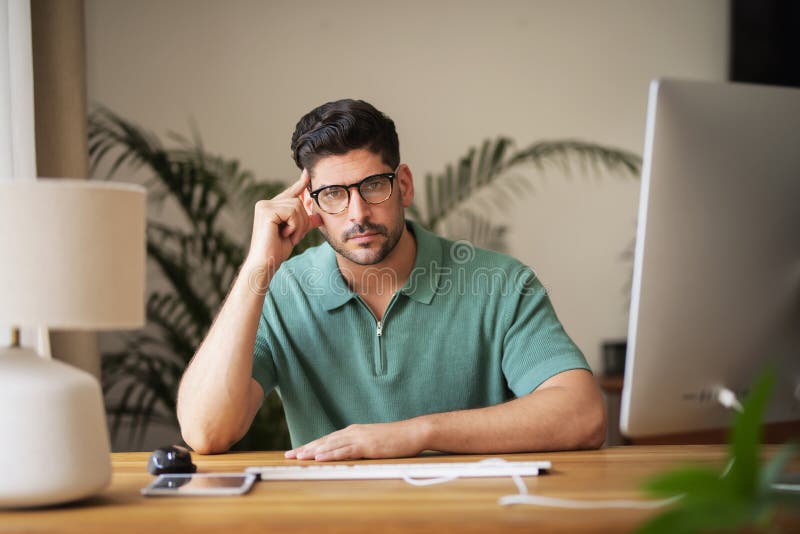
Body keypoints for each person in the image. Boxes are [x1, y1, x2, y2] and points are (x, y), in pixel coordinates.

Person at [176, 99, 606, 460]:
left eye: (373, 186)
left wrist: (414, 433)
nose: (358, 213)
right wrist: (258, 266)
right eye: (334, 195)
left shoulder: (500, 283)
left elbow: (583, 415)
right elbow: (206, 432)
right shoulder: (284, 291)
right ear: (312, 206)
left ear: (403, 186)